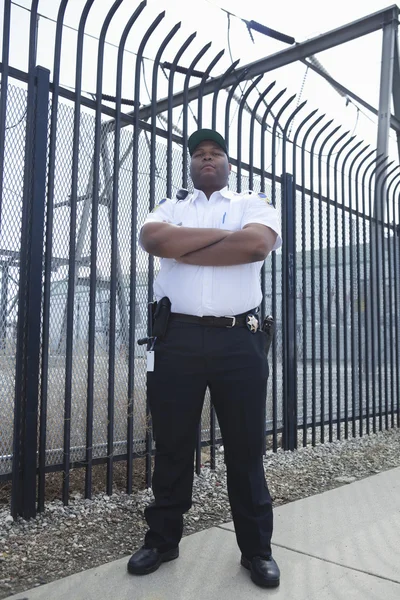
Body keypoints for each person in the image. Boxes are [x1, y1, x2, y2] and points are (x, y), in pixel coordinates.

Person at [127, 129, 282, 588]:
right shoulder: (170, 206)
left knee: (245, 448)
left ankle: (256, 551)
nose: (207, 159)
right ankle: (162, 539)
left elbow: (255, 245)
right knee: (173, 445)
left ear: (228, 163)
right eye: (199, 154)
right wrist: (222, 242)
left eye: (215, 153)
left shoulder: (253, 202)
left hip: (240, 340)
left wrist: (187, 245)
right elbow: (155, 240)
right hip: (178, 339)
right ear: (191, 165)